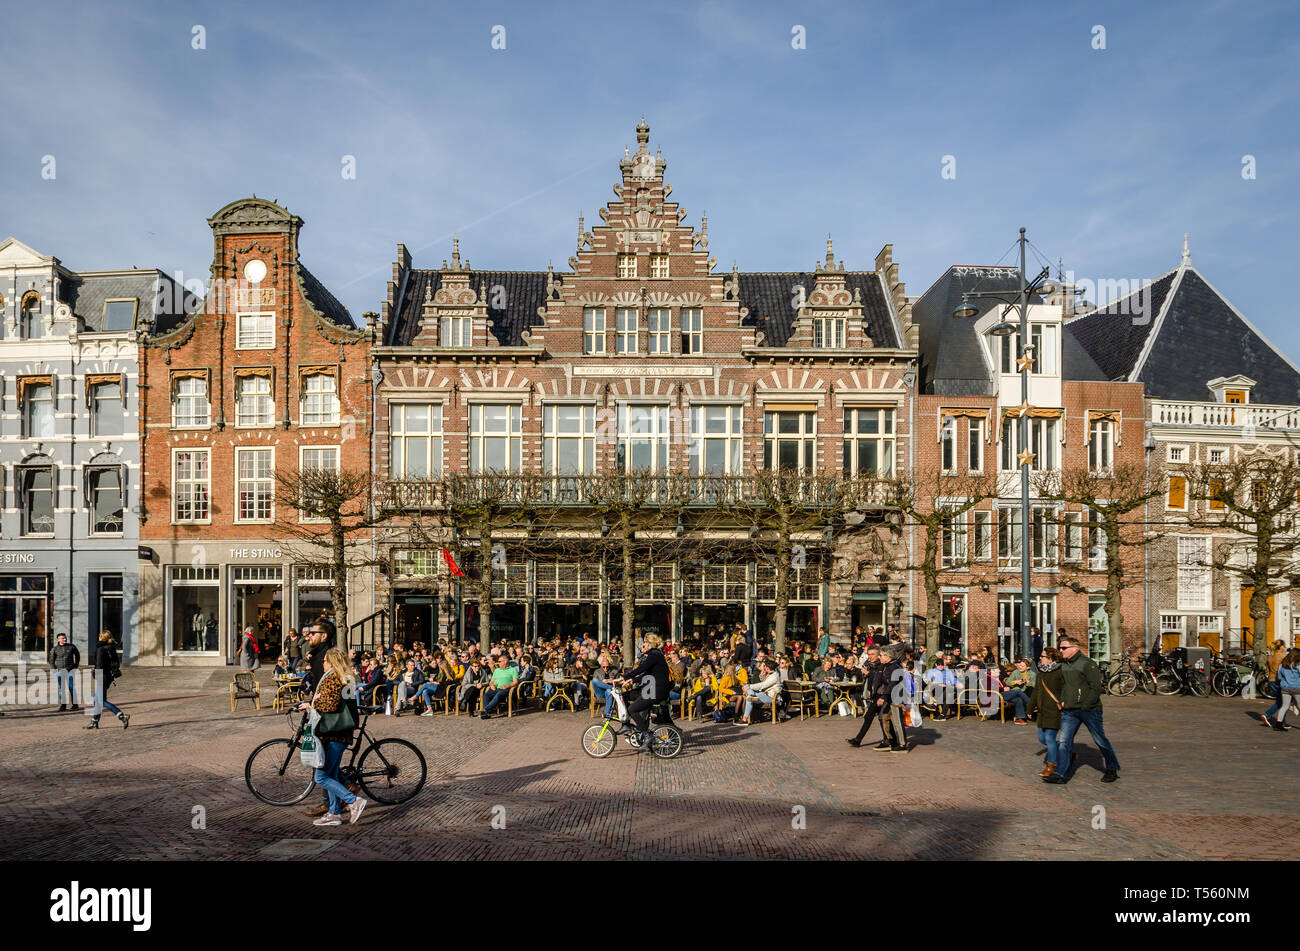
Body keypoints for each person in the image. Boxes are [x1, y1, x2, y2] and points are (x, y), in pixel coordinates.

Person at [300, 647, 366, 826]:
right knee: (333, 774)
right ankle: (334, 813)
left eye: (325, 660)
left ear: (331, 662)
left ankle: (353, 801)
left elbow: (330, 705)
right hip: (342, 731)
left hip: (333, 733)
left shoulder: (333, 678)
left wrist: (312, 703)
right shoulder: (346, 677)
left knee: (321, 777)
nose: (322, 663)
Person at [1044, 636, 1119, 784]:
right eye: (1060, 647)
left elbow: (1096, 688)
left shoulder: (1087, 664)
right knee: (1065, 741)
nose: (1060, 650)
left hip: (1089, 710)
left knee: (1100, 740)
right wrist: (1063, 700)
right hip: (1070, 710)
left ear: (1075, 649)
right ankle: (1060, 774)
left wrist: (1086, 705)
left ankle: (1112, 768)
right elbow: (1065, 685)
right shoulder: (1064, 665)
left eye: (1063, 648)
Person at [611, 633, 670, 745]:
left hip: (656, 691)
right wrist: (632, 680)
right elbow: (647, 675)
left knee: (632, 709)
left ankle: (647, 734)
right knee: (625, 695)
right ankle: (627, 725)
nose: (642, 645)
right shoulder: (654, 655)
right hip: (651, 689)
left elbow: (641, 669)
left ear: (650, 644)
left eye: (644, 643)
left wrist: (624, 677)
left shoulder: (654, 655)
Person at [1028, 647, 1065, 777]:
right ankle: (1066, 751)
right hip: (1042, 711)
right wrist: (1030, 708)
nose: (1040, 658)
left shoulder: (1061, 672)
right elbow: (1036, 691)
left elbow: (1066, 689)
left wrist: (1064, 702)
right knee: (1042, 738)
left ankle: (1051, 765)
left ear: (1051, 659)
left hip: (1054, 710)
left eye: (1043, 656)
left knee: (1049, 738)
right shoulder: (1041, 672)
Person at [85, 631, 129, 730]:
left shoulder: (100, 649)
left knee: (100, 700)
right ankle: (94, 721)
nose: (98, 637)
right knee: (97, 699)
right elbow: (116, 663)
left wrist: (95, 674)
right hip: (109, 676)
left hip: (102, 676)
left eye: (100, 636)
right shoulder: (112, 648)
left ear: (102, 637)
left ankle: (121, 715)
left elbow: (99, 665)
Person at [739, 660, 782, 724]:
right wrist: (762, 676)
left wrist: (750, 686)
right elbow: (764, 683)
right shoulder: (771, 673)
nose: (764, 667)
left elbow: (763, 685)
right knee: (748, 694)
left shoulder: (774, 676)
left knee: (748, 694)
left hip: (771, 697)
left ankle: (745, 719)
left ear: (767, 668)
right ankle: (751, 695)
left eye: (765, 666)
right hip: (764, 694)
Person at [48, 632, 80, 712]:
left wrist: (75, 666)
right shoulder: (54, 649)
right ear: (58, 639)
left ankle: (75, 705)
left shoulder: (71, 647)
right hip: (60, 671)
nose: (65, 639)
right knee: (61, 688)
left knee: (71, 687)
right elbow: (51, 660)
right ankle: (63, 705)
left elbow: (77, 656)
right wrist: (54, 670)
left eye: (65, 638)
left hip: (70, 670)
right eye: (63, 638)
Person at [1262, 639, 1289, 728]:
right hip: (1280, 681)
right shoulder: (1283, 656)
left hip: (1271, 681)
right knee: (1282, 702)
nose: (1285, 647)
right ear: (1280, 647)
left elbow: (1267, 670)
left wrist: (1269, 677)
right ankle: (1267, 715)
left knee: (1281, 701)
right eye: (1284, 646)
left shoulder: (1270, 656)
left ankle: (1282, 721)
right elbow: (1287, 669)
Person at [1272, 649, 1300, 731]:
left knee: (1284, 706)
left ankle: (1278, 724)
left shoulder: (1282, 665)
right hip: (1297, 688)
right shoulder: (1298, 665)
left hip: (1285, 688)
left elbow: (1279, 677)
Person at [1002, 658, 1035, 723]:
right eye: (1020, 665)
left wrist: (1027, 682)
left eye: (1022, 666)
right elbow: (1007, 682)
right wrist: (1015, 682)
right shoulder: (1015, 672)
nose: (1020, 667)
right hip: (1015, 691)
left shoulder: (1032, 674)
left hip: (1026, 692)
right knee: (1018, 691)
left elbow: (1034, 685)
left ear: (1028, 667)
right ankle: (1030, 705)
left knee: (1019, 698)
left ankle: (1020, 718)